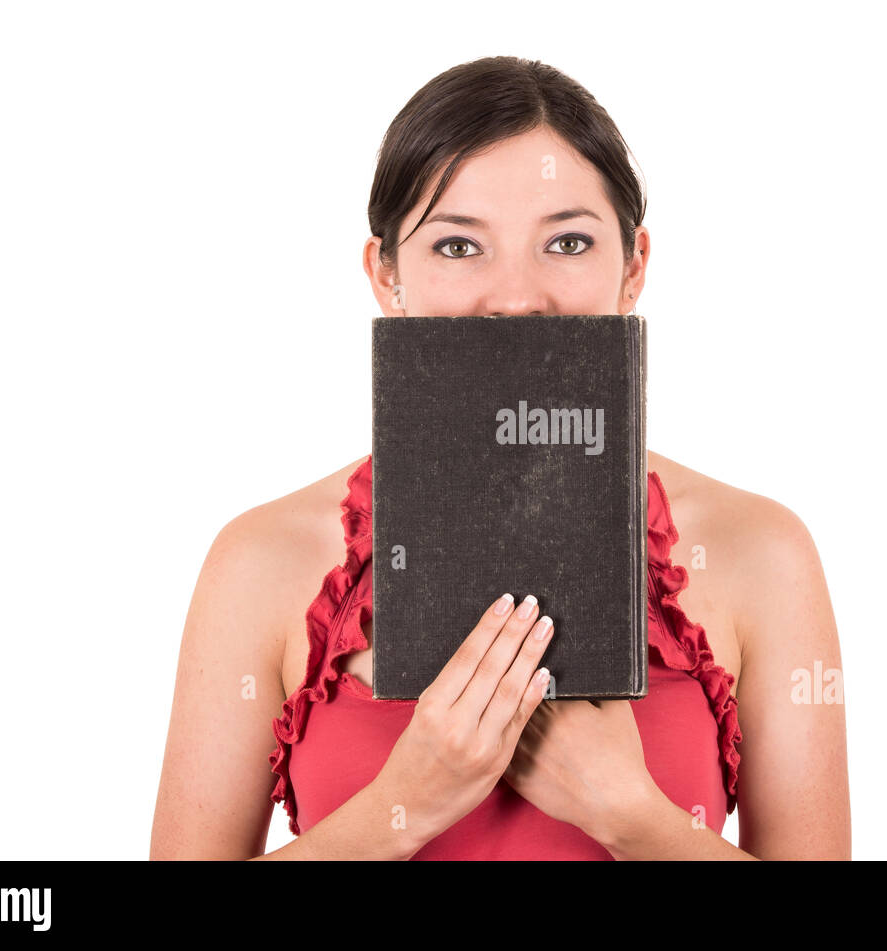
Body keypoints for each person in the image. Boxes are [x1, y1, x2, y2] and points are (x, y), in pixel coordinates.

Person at [150, 55, 850, 860]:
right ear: (386, 276)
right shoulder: (261, 560)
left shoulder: (761, 551)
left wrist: (632, 816)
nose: (517, 296)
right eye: (456, 246)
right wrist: (404, 803)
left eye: (568, 240)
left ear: (634, 269)